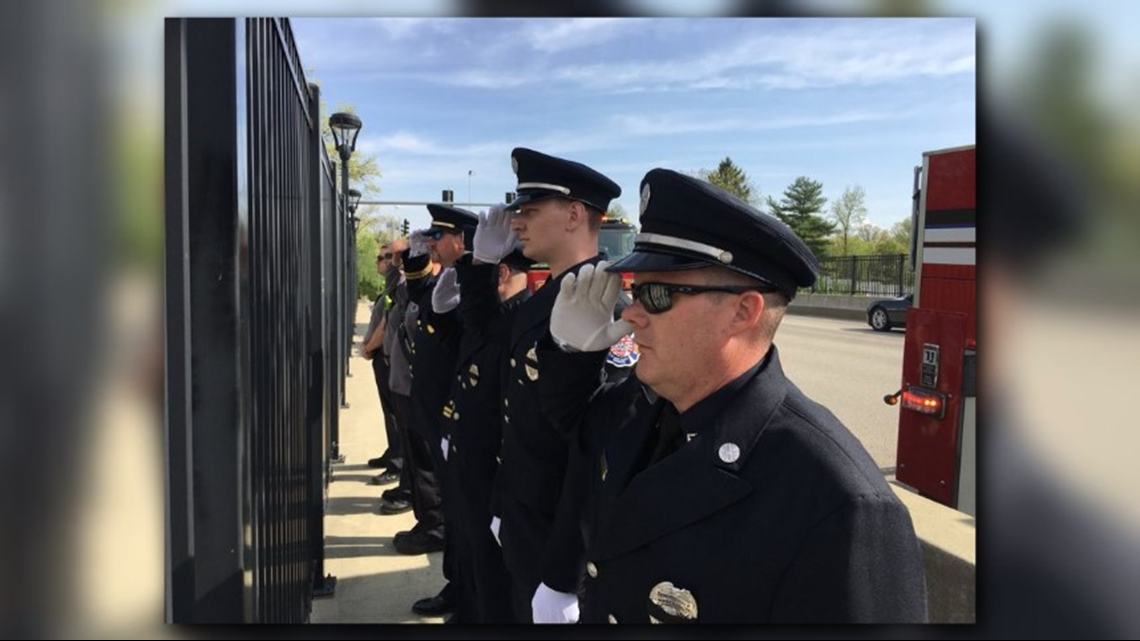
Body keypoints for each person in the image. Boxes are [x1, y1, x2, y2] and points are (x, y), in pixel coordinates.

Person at [539, 168, 929, 624]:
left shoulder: (840, 504)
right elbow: (570, 426)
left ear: (744, 311)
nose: (633, 315)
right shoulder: (640, 407)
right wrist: (570, 351)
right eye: (635, 291)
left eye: (658, 294)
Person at [466, 147, 623, 623]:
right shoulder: (546, 299)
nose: (517, 223)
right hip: (524, 514)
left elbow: (598, 451)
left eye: (530, 211)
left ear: (575, 214)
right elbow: (488, 344)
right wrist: (501, 502)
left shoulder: (605, 310)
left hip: (561, 531)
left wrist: (565, 572)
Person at [443, 243, 535, 623]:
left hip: (496, 468)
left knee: (495, 573)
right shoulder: (496, 319)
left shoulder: (516, 321)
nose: (468, 286)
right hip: (473, 457)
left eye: (480, 269)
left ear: (499, 274)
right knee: (473, 552)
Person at [361, 243, 402, 486]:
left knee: (395, 414)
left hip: (388, 357)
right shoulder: (390, 285)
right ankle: (393, 452)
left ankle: (397, 462)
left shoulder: (397, 285)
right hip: (383, 356)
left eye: (388, 256)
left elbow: (387, 322)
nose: (382, 261)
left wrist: (369, 346)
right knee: (390, 412)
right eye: (380, 257)